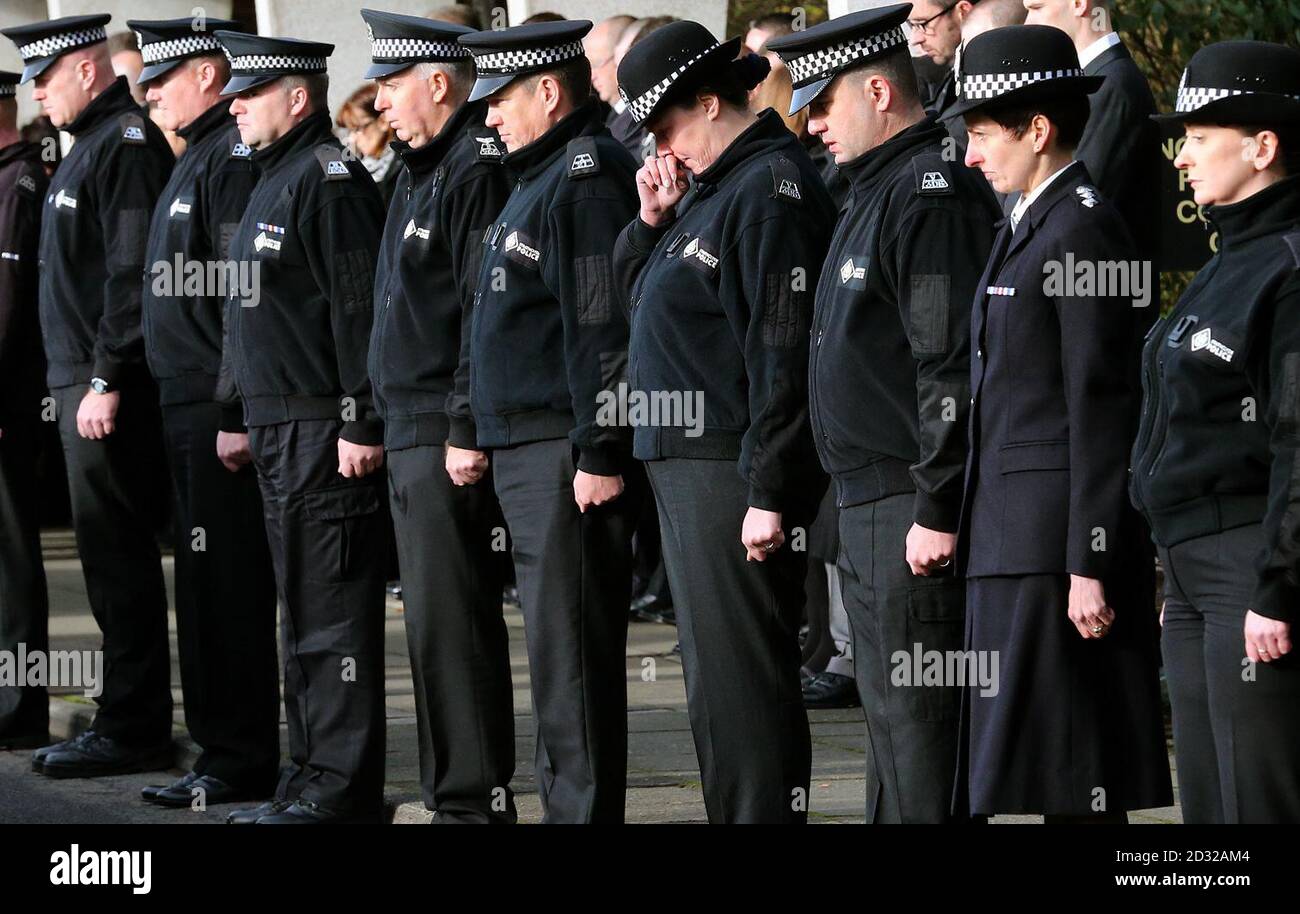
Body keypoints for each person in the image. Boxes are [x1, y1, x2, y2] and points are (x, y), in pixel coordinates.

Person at [770, 4, 999, 822]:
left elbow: (947, 367)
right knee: (892, 737)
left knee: (922, 736)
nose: (815, 123)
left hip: (910, 505)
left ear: (878, 89)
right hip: (867, 505)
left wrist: (937, 504)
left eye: (825, 103)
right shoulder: (873, 187)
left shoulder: (926, 195)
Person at [613, 20, 835, 824]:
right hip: (688, 466)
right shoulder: (714, 189)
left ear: (710, 103)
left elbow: (781, 359)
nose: (662, 151)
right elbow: (635, 303)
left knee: (743, 679)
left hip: (727, 468)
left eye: (667, 129)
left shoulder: (768, 190)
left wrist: (770, 488)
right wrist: (650, 224)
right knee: (714, 679)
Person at [952, 24, 1171, 822]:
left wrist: (1091, 559)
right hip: (1011, 541)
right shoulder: (1033, 221)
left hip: (1053, 553)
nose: (972, 156)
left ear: (1037, 131)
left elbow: (1102, 407)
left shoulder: (1081, 226)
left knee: (1072, 765)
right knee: (1037, 771)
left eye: (981, 135)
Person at [458, 19, 642, 824]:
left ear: (547, 90)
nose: (489, 117)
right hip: (526, 448)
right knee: (553, 654)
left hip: (562, 451)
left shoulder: (586, 175)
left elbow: (600, 328)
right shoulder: (541, 176)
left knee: (571, 657)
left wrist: (600, 448)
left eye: (500, 99)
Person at [214, 29, 389, 825]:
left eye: (250, 94)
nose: (236, 107)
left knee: (333, 617)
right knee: (302, 613)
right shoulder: (273, 178)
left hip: (324, 430)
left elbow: (358, 312)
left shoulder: (330, 180)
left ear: (297, 96)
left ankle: (340, 787)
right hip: (281, 426)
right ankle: (309, 771)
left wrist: (360, 416)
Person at [2, 13, 176, 780]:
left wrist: (107, 373)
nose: (37, 92)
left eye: (44, 75)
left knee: (120, 558)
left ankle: (134, 725)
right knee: (107, 561)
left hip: (105, 388)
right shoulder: (87, 149)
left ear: (84, 66)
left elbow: (131, 273)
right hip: (75, 383)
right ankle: (123, 718)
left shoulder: (124, 145)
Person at [1132, 41, 1300, 824]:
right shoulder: (1228, 259)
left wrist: (1278, 585)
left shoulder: (1288, 268)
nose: (1182, 159)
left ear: (1263, 146)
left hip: (1251, 570)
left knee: (1255, 800)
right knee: (1208, 804)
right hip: (1195, 574)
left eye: (1200, 138)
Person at [361, 7, 516, 824]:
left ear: (438, 82)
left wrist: (461, 426)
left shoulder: (472, 169)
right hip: (407, 423)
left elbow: (477, 316)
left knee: (453, 627)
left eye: (390, 85)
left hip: (439, 430)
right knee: (430, 630)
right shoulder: (421, 167)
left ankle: (471, 802)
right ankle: (452, 794)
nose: (379, 101)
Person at [127, 17, 281, 811]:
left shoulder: (229, 157)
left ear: (210, 75)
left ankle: (241, 753)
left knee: (227, 587)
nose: (149, 92)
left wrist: (232, 404)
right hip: (184, 401)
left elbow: (238, 292)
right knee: (202, 583)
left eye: (164, 76)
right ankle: (221, 746)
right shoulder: (199, 155)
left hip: (213, 405)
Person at [1022, 0, 1160, 259]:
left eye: (1036, 8)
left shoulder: (1112, 85)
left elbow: (1069, 198)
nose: (1028, 22)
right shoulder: (1095, 82)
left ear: (1079, 4)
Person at [0, 70, 51, 752]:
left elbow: (10, 304)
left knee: (12, 557)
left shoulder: (19, 183)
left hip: (9, 397)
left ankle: (19, 706)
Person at [906, 0, 978, 153]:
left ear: (963, 12)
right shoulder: (947, 76)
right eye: (911, 25)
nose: (915, 39)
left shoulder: (985, 85)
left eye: (922, 24)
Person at [337, 82, 402, 207]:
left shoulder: (404, 166)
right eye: (349, 131)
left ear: (382, 122)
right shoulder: (360, 168)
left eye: (358, 129)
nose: (352, 139)